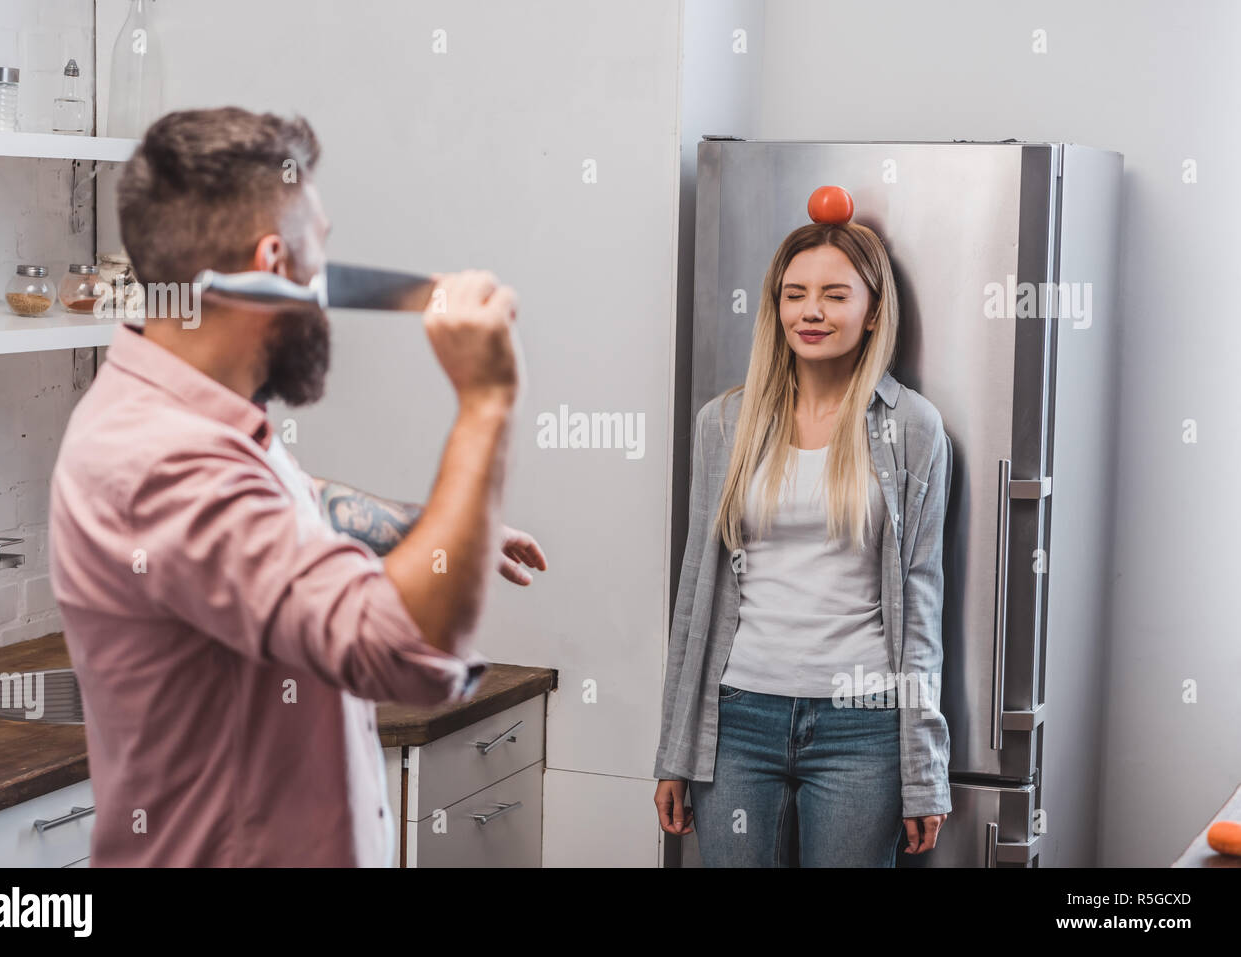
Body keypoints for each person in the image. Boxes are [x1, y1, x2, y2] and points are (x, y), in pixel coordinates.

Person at [48, 107, 547, 866]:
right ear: (274, 263)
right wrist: (486, 405)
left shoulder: (187, 414)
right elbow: (403, 649)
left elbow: (287, 498)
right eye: (324, 254)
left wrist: (430, 528)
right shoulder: (158, 459)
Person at [653, 222, 952, 866]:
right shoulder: (724, 423)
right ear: (776, 306)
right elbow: (696, 592)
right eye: (795, 294)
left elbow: (922, 604)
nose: (811, 311)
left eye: (836, 295)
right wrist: (675, 749)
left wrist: (923, 768)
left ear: (873, 313)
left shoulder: (914, 430)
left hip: (863, 725)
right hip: (736, 724)